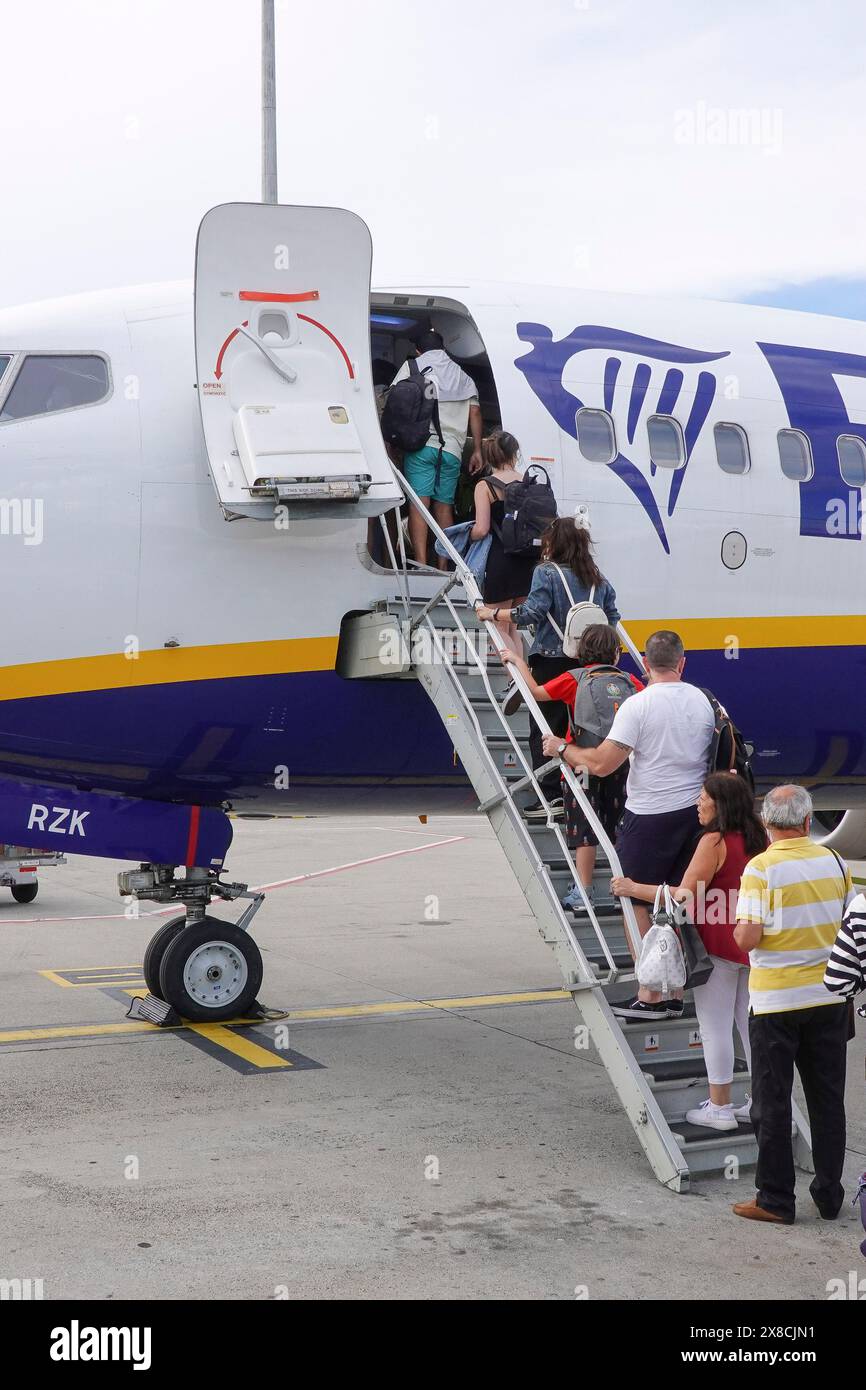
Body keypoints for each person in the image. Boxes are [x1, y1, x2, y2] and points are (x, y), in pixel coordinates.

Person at [542, 629, 715, 1020]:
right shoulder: (703, 701)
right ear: (682, 663)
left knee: (636, 901)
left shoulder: (638, 706)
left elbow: (601, 764)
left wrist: (561, 748)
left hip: (649, 817)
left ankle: (649, 993)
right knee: (674, 900)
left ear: (647, 665)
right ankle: (673, 990)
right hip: (693, 815)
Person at [611, 773, 767, 1127]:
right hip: (751, 944)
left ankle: (720, 1108)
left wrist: (633, 886)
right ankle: (764, 1102)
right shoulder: (758, 837)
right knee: (750, 1027)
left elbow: (684, 895)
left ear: (720, 803)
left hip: (717, 947)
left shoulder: (715, 840)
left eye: (703, 796)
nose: (698, 802)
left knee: (714, 1026)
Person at [731, 784, 854, 1225]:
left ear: (767, 823)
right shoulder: (836, 862)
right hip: (829, 998)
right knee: (827, 1100)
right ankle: (828, 1195)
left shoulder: (760, 869)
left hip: (776, 1003)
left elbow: (747, 937)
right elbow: (849, 919)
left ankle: (776, 1199)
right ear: (807, 822)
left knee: (772, 1103)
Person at [478, 517, 620, 819]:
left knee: (544, 729)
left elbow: (531, 613)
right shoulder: (598, 579)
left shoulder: (546, 573)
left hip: (552, 660)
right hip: (589, 664)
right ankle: (582, 791)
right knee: (579, 728)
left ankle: (552, 795)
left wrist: (492, 613)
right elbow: (612, 617)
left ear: (553, 545)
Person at [504, 624, 642, 911]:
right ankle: (623, 888)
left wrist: (519, 661)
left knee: (583, 828)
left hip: (580, 763)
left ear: (579, 652)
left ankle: (584, 891)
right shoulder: (631, 682)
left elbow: (537, 693)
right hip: (620, 763)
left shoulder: (575, 678)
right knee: (621, 826)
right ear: (617, 653)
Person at [391, 330, 483, 569]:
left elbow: (394, 399)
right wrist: (477, 451)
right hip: (451, 452)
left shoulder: (413, 366)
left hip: (422, 447)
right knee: (444, 509)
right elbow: (475, 412)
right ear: (444, 349)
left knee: (419, 507)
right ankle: (442, 566)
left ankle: (422, 563)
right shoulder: (463, 376)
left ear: (419, 350)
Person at [468, 432, 536, 656]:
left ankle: (518, 681)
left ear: (489, 456)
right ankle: (522, 678)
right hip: (528, 561)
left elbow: (482, 529)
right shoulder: (530, 483)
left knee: (498, 627)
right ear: (514, 453)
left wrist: (465, 536)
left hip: (501, 560)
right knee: (512, 625)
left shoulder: (485, 486)